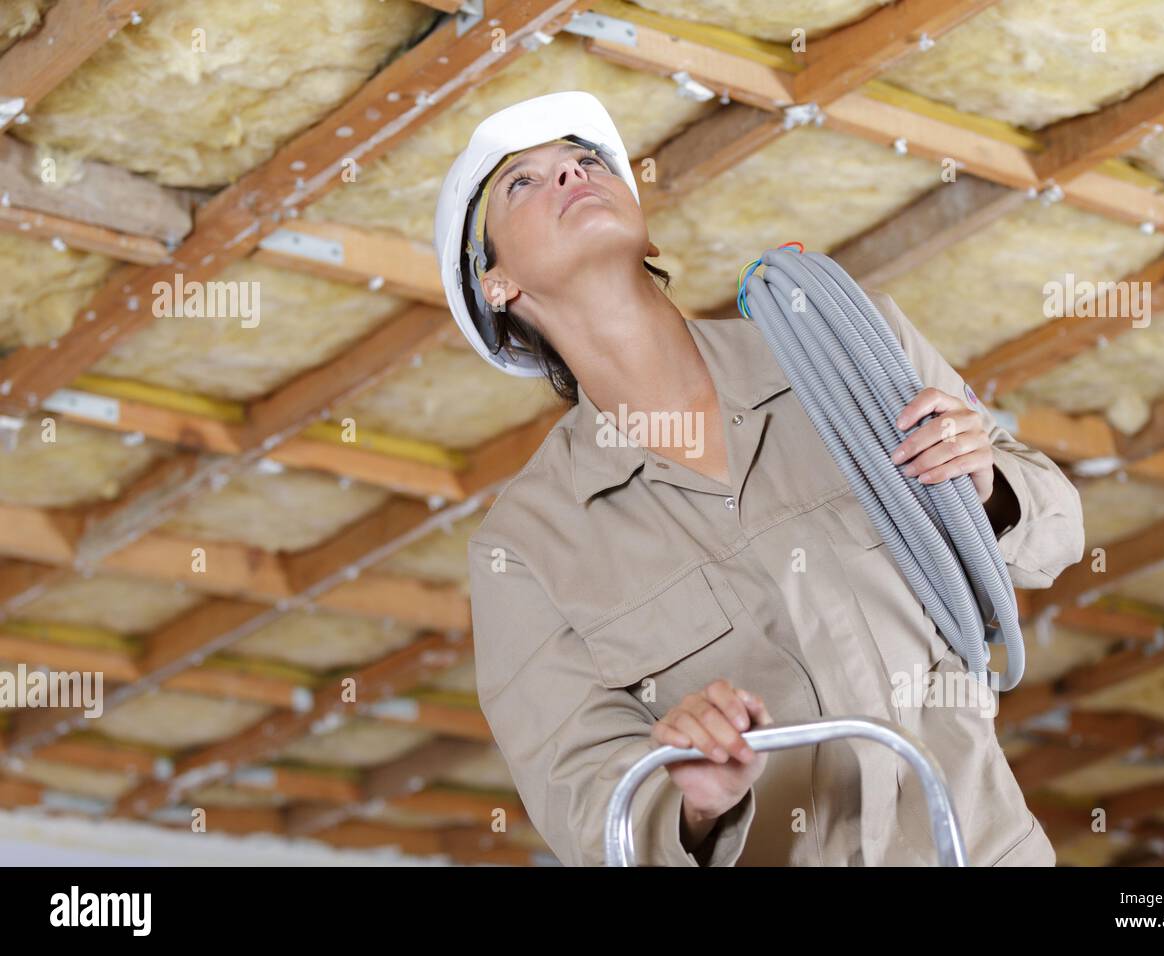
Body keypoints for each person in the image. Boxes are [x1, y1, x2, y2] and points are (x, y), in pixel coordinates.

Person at [433, 90, 1085, 866]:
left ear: (644, 228)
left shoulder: (846, 351)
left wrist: (985, 485)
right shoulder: (525, 546)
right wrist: (694, 802)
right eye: (524, 183)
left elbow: (1059, 534)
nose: (572, 177)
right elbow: (585, 800)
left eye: (586, 161)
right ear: (496, 284)